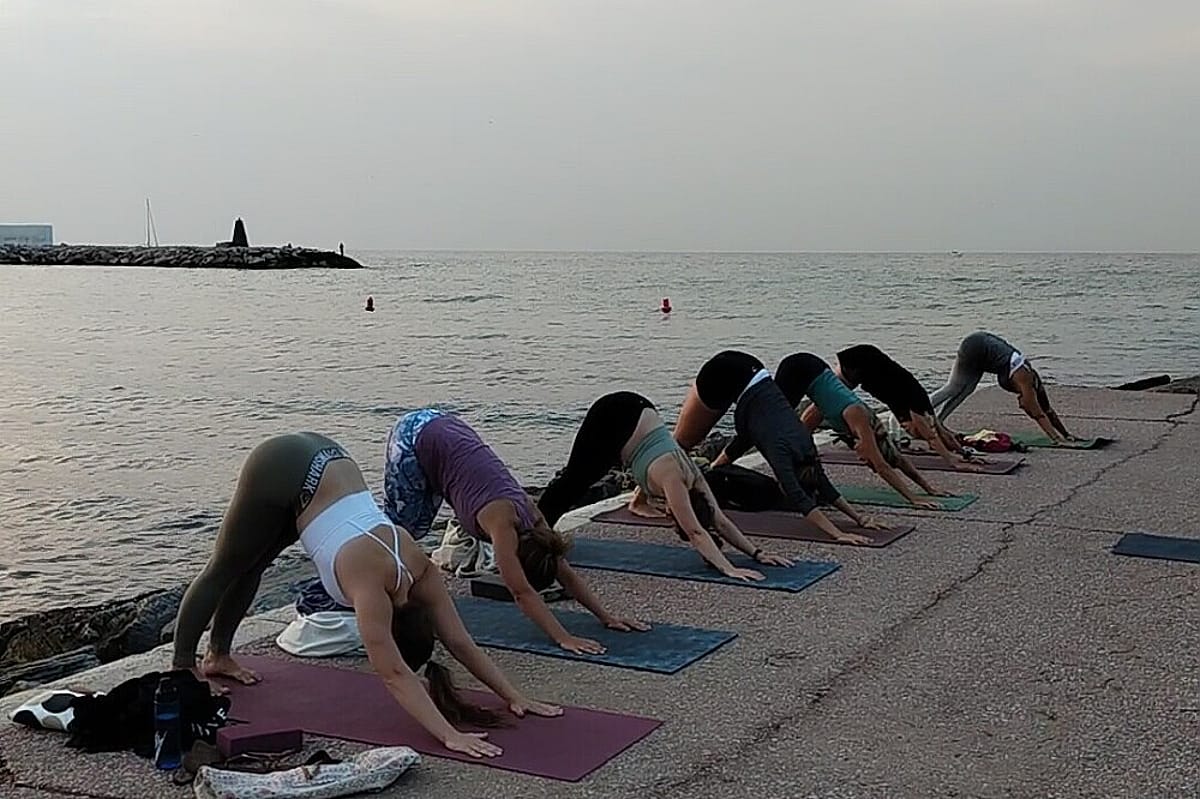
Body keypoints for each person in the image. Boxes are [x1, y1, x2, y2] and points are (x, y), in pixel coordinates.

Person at [171, 432, 560, 759]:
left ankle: (218, 655)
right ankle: (183, 664)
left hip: (332, 461)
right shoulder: (371, 588)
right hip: (285, 466)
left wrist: (513, 695)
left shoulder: (419, 566)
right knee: (224, 566)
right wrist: (448, 735)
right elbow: (393, 673)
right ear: (391, 627)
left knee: (253, 564)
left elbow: (459, 641)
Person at [383, 408, 645, 656]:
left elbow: (565, 572)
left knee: (418, 524)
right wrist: (562, 637)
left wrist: (605, 617)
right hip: (414, 434)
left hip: (446, 426)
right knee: (402, 530)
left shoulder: (535, 520)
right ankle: (371, 589)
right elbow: (521, 592)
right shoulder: (504, 525)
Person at [537, 391, 795, 581]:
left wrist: (757, 553)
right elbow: (695, 532)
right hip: (615, 415)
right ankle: (532, 534)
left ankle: (542, 526)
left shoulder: (695, 477)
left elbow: (720, 520)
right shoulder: (676, 483)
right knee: (575, 480)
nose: (671, 520)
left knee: (586, 477)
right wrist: (729, 568)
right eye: (675, 519)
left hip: (640, 411)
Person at [673, 351, 882, 544]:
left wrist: (861, 519)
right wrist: (838, 534)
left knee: (687, 443)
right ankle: (644, 497)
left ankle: (662, 490)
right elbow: (802, 500)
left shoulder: (806, 446)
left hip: (754, 369)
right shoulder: (780, 453)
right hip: (723, 373)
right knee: (683, 442)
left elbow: (826, 487)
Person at [776, 353, 951, 511]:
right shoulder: (858, 417)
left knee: (798, 439)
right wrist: (913, 498)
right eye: (864, 457)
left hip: (817, 372)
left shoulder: (856, 424)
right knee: (775, 420)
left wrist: (928, 488)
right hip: (799, 369)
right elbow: (881, 466)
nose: (861, 459)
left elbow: (899, 461)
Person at [834, 344, 985, 471]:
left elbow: (944, 435)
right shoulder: (918, 412)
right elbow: (931, 438)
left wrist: (967, 455)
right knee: (830, 402)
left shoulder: (925, 410)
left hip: (869, 361)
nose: (909, 432)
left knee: (836, 402)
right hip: (860, 362)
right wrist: (952, 460)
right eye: (908, 429)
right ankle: (812, 432)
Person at [929, 331, 1079, 444]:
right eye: (1024, 406)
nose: (1021, 407)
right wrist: (1056, 439)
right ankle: (913, 409)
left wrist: (1066, 434)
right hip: (975, 346)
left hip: (987, 356)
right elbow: (1038, 414)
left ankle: (939, 422)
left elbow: (1047, 411)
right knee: (954, 388)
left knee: (967, 389)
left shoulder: (1036, 387)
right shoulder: (1025, 383)